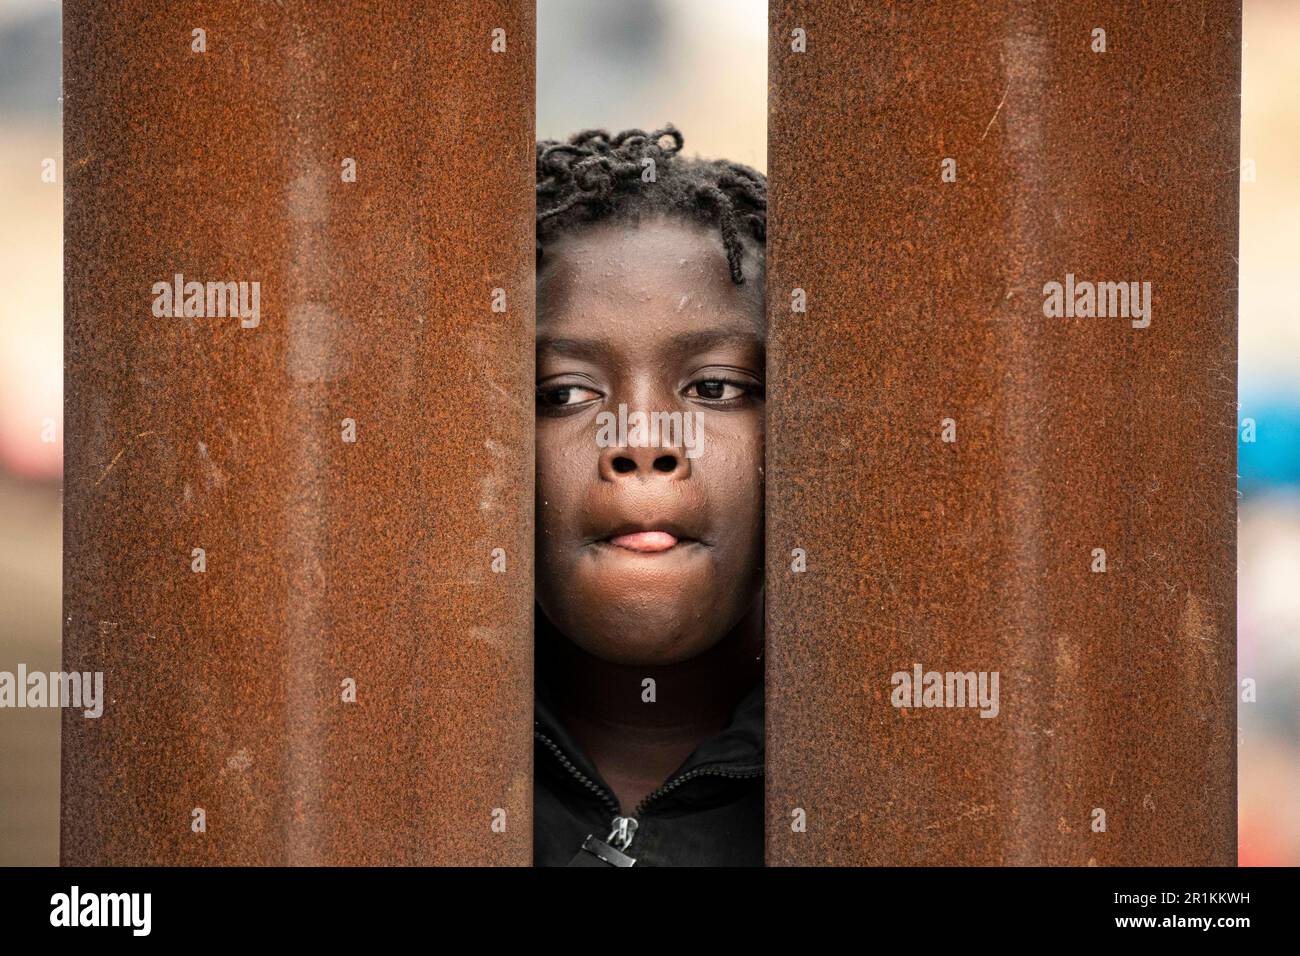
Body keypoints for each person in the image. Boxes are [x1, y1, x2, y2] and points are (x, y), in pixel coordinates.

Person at [533, 126, 766, 866]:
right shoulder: (387, 768)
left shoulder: (897, 782)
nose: (642, 441)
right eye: (566, 392)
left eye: (714, 388)